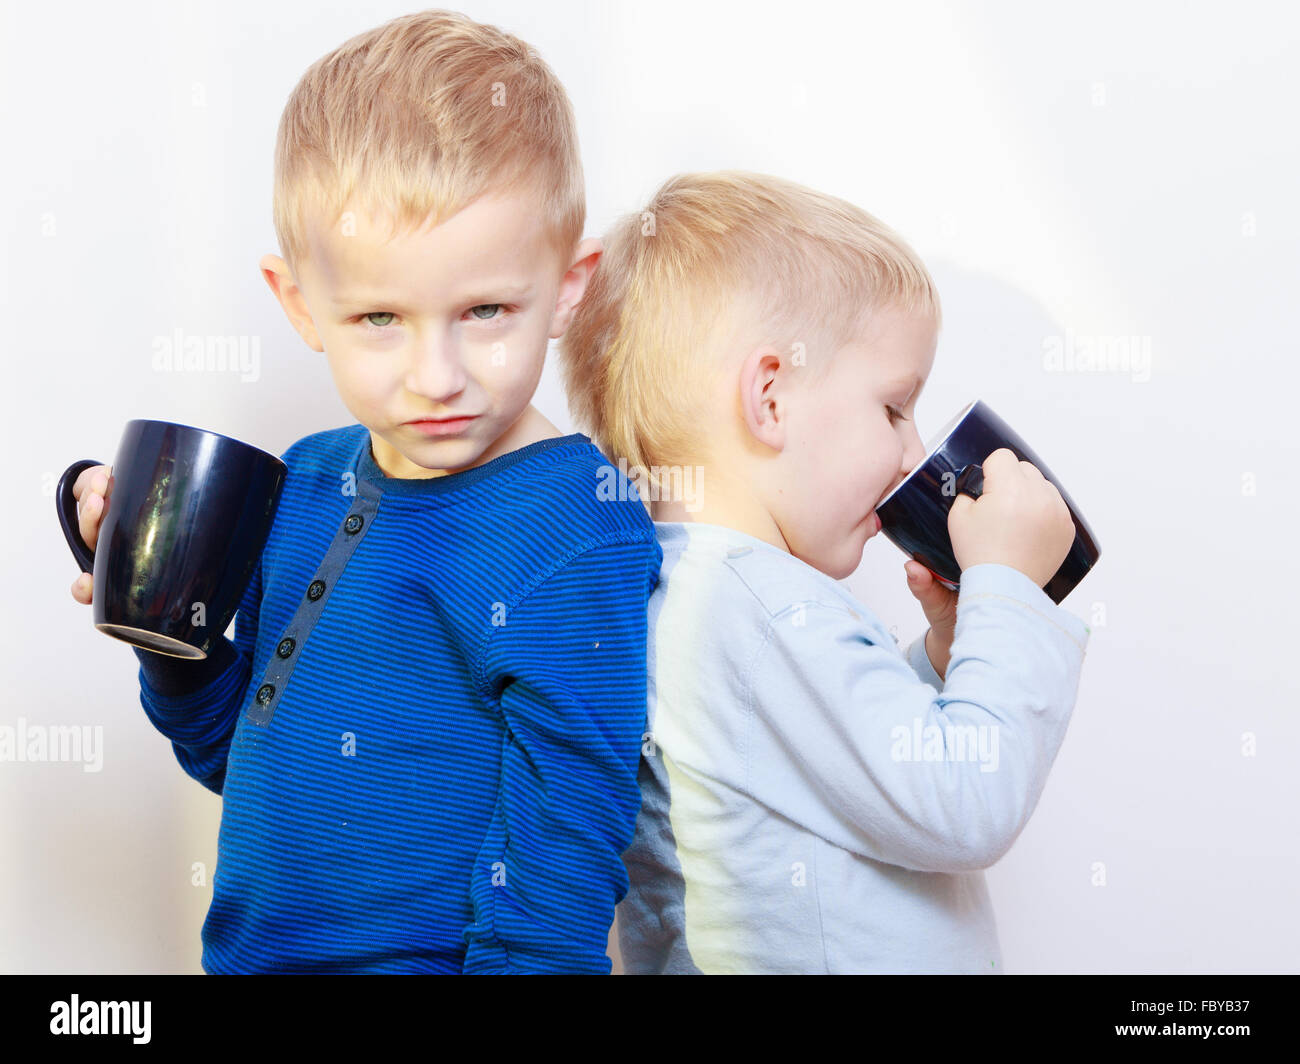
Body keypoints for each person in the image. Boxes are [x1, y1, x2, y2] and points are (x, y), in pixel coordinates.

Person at [66, 10, 660, 974]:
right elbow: (236, 756)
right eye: (380, 316)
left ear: (569, 286)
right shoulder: (305, 479)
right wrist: (171, 650)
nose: (437, 374)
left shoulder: (572, 527)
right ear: (301, 303)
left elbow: (564, 856)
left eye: (486, 311)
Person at [558, 170, 1088, 973]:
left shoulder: (690, 592)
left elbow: (824, 756)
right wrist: (1010, 592)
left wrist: (940, 659)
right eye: (894, 408)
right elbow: (966, 804)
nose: (914, 455)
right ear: (770, 397)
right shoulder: (751, 606)